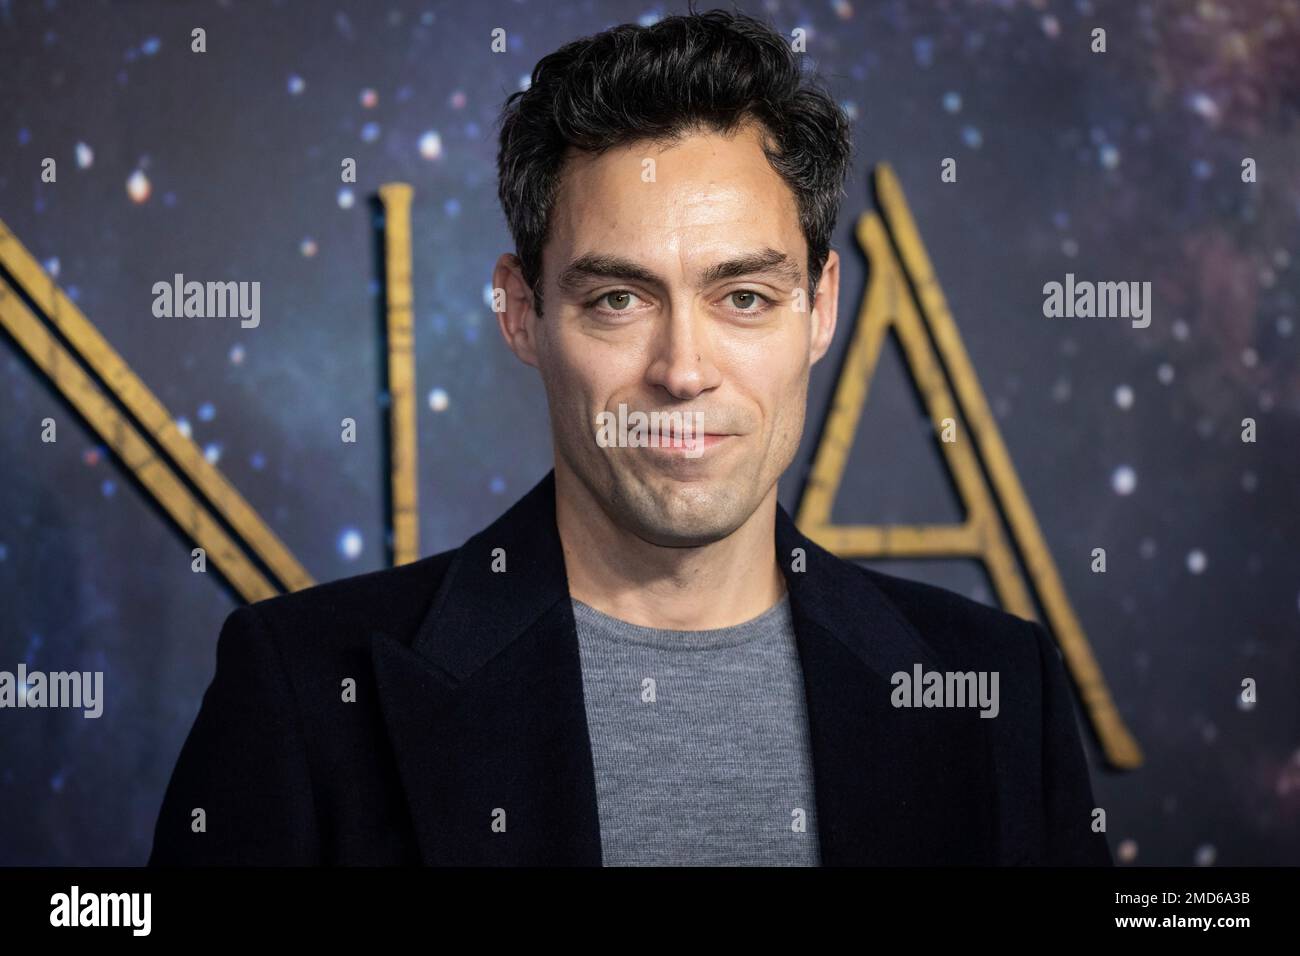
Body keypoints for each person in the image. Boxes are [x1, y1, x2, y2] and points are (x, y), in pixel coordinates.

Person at [150, 7, 1112, 866]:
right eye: (618, 298)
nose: (683, 368)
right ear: (522, 314)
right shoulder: (305, 691)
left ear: (819, 309)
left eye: (743, 295)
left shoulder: (996, 692)